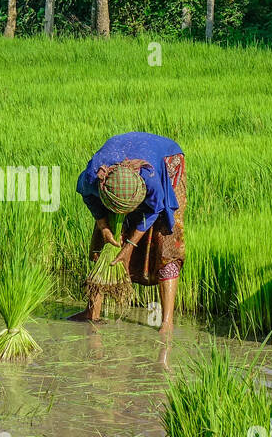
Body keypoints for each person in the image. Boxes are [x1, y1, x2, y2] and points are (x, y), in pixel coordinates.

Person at [69, 131, 186, 338]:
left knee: (166, 240)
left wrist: (130, 244)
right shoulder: (93, 175)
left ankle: (167, 322)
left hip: (166, 162)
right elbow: (88, 197)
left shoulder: (151, 179)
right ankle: (92, 312)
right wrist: (105, 228)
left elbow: (154, 209)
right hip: (118, 168)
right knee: (104, 242)